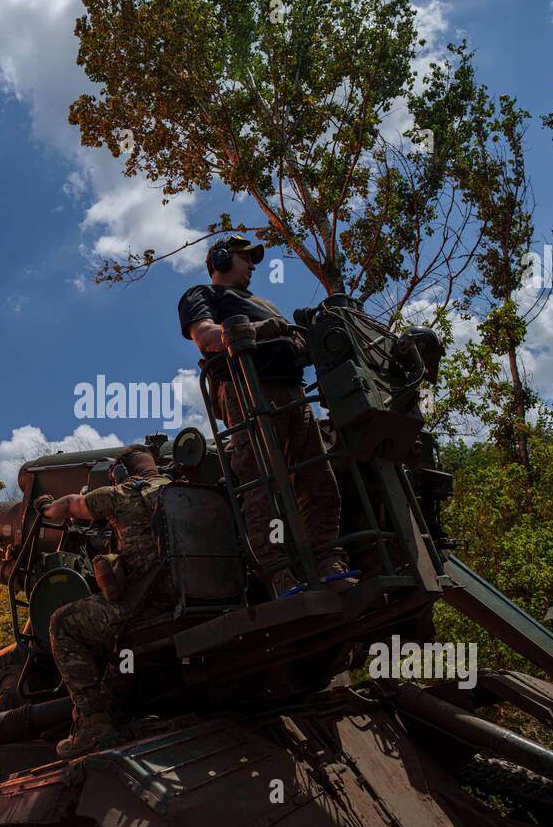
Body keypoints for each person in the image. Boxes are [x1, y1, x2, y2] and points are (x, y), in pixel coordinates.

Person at [178, 235, 345, 595]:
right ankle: (280, 573)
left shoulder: (265, 303)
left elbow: (291, 340)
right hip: (247, 391)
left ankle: (328, 560)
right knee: (262, 484)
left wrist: (300, 342)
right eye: (244, 258)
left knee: (318, 478)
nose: (252, 265)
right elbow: (207, 338)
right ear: (220, 260)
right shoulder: (202, 295)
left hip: (293, 394)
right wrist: (255, 330)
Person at [43, 445, 175, 757]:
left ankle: (94, 726)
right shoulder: (181, 489)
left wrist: (46, 508)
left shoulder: (125, 494)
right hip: (190, 599)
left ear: (121, 475)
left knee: (62, 624)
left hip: (146, 606)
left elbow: (73, 506)